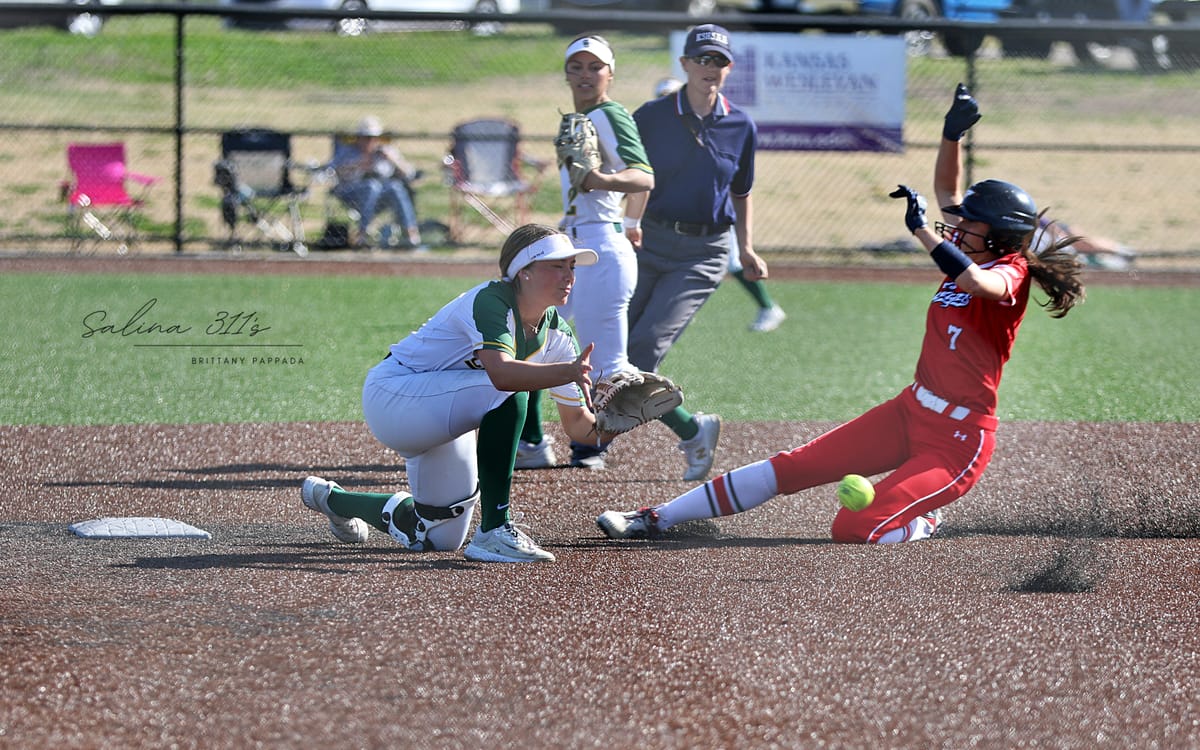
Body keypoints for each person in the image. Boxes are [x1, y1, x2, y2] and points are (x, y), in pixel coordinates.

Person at [597, 82, 1086, 544]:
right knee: (791, 466)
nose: (957, 227)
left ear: (1000, 234)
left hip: (958, 441)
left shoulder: (1010, 270)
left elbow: (977, 283)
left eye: (971, 224)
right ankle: (656, 517)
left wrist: (923, 234)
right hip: (910, 410)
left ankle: (924, 519)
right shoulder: (978, 249)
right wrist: (951, 133)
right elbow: (946, 193)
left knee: (854, 527)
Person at [301, 224, 619, 563]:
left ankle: (331, 499)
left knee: (440, 535)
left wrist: (619, 419)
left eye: (571, 266)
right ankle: (494, 529)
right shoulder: (491, 301)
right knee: (511, 390)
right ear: (523, 271)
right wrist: (566, 372)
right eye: (557, 266)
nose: (568, 275)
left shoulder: (556, 334)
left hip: (445, 412)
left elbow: (579, 428)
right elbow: (501, 374)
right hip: (393, 397)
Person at [622, 24, 770, 481]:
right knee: (612, 351)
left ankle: (593, 438)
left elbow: (742, 191)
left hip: (703, 253)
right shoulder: (650, 115)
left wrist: (745, 247)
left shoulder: (740, 124)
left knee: (644, 350)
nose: (711, 68)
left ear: (729, 69)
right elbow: (629, 177)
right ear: (684, 64)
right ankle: (691, 431)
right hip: (647, 241)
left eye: (719, 61)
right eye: (702, 59)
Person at [516, 35, 654, 472]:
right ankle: (534, 442)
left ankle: (689, 430)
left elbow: (643, 176)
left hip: (600, 248)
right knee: (532, 342)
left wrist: (598, 181)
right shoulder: (583, 116)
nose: (584, 74)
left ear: (610, 73)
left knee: (609, 368)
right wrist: (632, 221)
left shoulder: (609, 114)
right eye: (576, 66)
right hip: (580, 243)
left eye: (594, 66)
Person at [652, 76, 785, 333]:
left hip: (716, 215)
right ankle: (677, 310)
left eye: (671, 97)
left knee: (732, 262)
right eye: (662, 98)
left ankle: (768, 307)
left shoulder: (703, 130)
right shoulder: (662, 134)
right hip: (685, 219)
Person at [330, 115, 424, 249]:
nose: (370, 142)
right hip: (351, 195)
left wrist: (393, 161)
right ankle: (361, 236)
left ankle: (411, 235)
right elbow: (333, 171)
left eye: (373, 138)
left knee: (395, 187)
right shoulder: (349, 151)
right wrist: (357, 165)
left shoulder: (385, 151)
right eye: (366, 138)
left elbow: (410, 174)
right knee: (371, 186)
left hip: (380, 198)